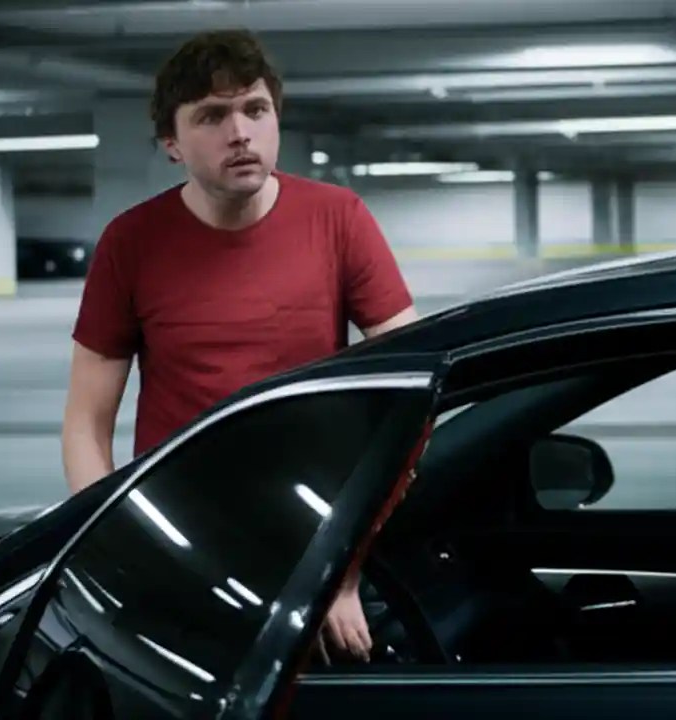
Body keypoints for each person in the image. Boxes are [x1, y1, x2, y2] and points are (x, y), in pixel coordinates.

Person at [61, 28, 415, 664]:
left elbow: (412, 400)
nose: (241, 132)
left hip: (320, 540)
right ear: (171, 144)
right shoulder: (131, 242)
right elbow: (86, 425)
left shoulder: (339, 219)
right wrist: (119, 548)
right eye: (212, 116)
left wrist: (345, 568)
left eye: (255, 109)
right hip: (179, 548)